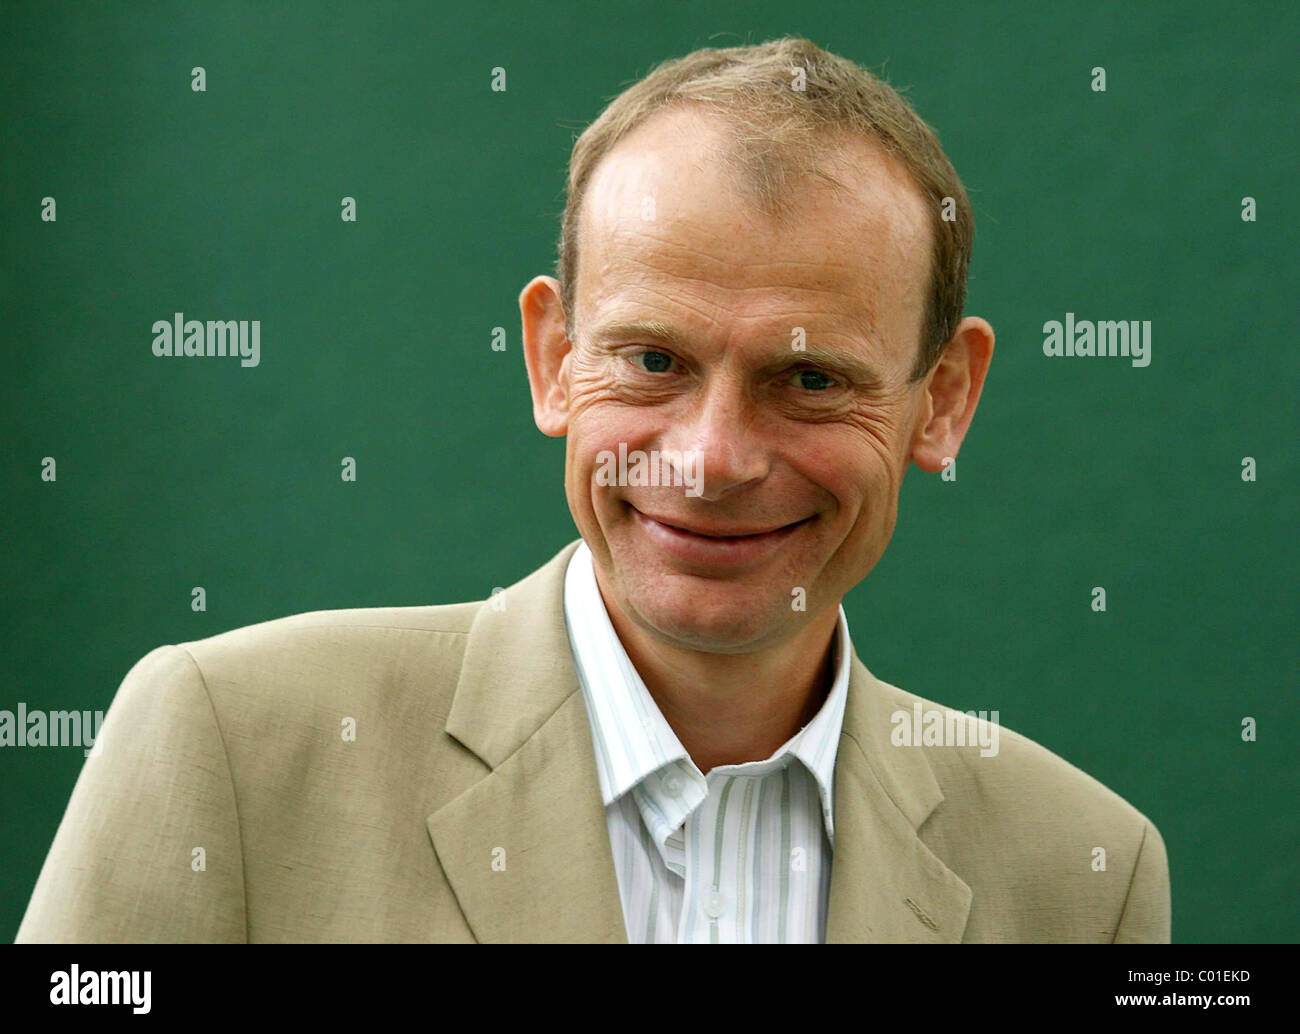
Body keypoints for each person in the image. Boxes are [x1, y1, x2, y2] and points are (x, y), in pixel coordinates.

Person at [17, 37, 1169, 944]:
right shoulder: (229, 746)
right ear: (553, 356)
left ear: (946, 398)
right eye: (655, 360)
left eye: (808, 378)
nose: (710, 458)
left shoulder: (1086, 875)